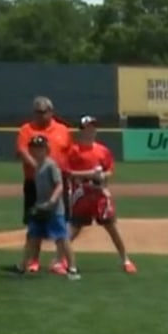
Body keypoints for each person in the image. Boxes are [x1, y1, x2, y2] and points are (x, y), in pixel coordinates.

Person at [65, 115, 136, 274]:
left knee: (111, 227)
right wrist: (89, 174)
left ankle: (125, 259)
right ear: (82, 130)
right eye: (88, 127)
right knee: (74, 228)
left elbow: (110, 170)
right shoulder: (74, 151)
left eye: (93, 128)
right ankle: (60, 260)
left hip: (100, 194)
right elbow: (68, 173)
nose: (92, 131)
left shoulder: (102, 150)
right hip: (81, 193)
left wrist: (103, 176)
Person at [15, 96, 72, 272]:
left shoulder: (62, 129)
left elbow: (68, 152)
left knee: (61, 222)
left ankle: (60, 261)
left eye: (43, 112)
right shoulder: (26, 129)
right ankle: (34, 260)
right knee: (35, 222)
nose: (39, 115)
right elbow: (22, 151)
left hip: (57, 181)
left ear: (51, 112)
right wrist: (40, 169)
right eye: (36, 112)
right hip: (34, 183)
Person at [17, 135, 80, 281]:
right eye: (34, 149)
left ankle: (72, 268)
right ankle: (23, 266)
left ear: (47, 150)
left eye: (40, 149)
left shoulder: (51, 165)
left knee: (62, 238)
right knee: (32, 236)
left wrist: (52, 201)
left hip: (54, 209)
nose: (37, 151)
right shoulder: (37, 166)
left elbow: (59, 185)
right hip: (41, 207)